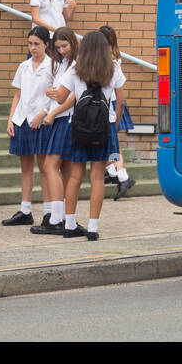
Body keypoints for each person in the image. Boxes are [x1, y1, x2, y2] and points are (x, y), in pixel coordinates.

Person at [43, 29, 124, 241]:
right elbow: (121, 102)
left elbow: (61, 98)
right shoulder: (113, 69)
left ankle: (69, 225)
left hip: (77, 127)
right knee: (97, 177)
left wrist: (51, 92)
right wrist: (113, 124)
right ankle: (93, 228)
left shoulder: (75, 69)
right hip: (104, 126)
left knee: (75, 176)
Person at [2, 26, 55, 226]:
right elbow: (18, 95)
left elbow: (57, 97)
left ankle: (49, 212)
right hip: (22, 120)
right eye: (30, 43)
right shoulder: (23, 66)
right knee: (25, 167)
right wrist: (10, 119)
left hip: (41, 122)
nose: (32, 48)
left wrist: (42, 115)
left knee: (44, 168)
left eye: (37, 44)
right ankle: (25, 210)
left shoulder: (52, 67)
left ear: (46, 45)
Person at [30, 27, 78, 234]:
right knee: (63, 169)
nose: (61, 50)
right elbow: (60, 93)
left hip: (66, 119)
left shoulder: (76, 64)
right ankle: (67, 219)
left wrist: (52, 111)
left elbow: (74, 96)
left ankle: (57, 218)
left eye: (65, 46)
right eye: (58, 47)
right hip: (60, 117)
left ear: (73, 43)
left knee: (50, 166)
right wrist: (52, 96)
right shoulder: (63, 64)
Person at [98, 24, 135, 200]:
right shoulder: (115, 55)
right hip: (112, 101)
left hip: (111, 102)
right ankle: (114, 171)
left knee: (113, 142)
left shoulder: (109, 60)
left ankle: (121, 175)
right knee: (112, 142)